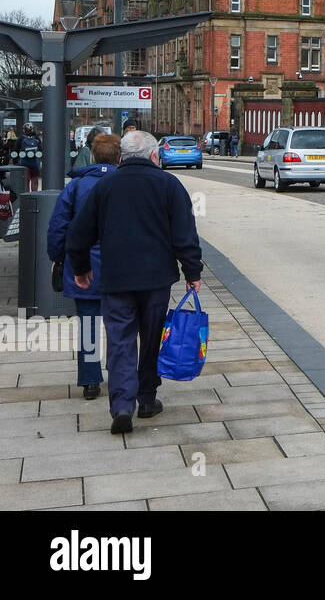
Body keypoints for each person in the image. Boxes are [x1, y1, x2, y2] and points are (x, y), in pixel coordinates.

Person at [66, 131, 203, 435]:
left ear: (120, 158)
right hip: (156, 280)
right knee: (151, 340)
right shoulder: (169, 185)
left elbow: (78, 233)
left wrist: (81, 267)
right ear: (155, 156)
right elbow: (184, 234)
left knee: (120, 342)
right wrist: (192, 271)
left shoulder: (104, 187)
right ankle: (147, 399)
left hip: (116, 279)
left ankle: (122, 406)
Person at [47, 133, 121, 399]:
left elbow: (58, 227)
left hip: (84, 267)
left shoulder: (76, 187)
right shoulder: (125, 184)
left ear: (92, 155)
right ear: (119, 156)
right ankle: (119, 373)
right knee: (120, 324)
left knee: (88, 324)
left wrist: (57, 257)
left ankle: (90, 381)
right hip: (121, 268)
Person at [18, 123, 41, 191]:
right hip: (35, 163)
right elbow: (40, 150)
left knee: (26, 181)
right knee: (35, 180)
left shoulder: (21, 139)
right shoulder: (36, 138)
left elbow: (15, 150)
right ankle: (34, 194)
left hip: (24, 164)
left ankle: (26, 197)